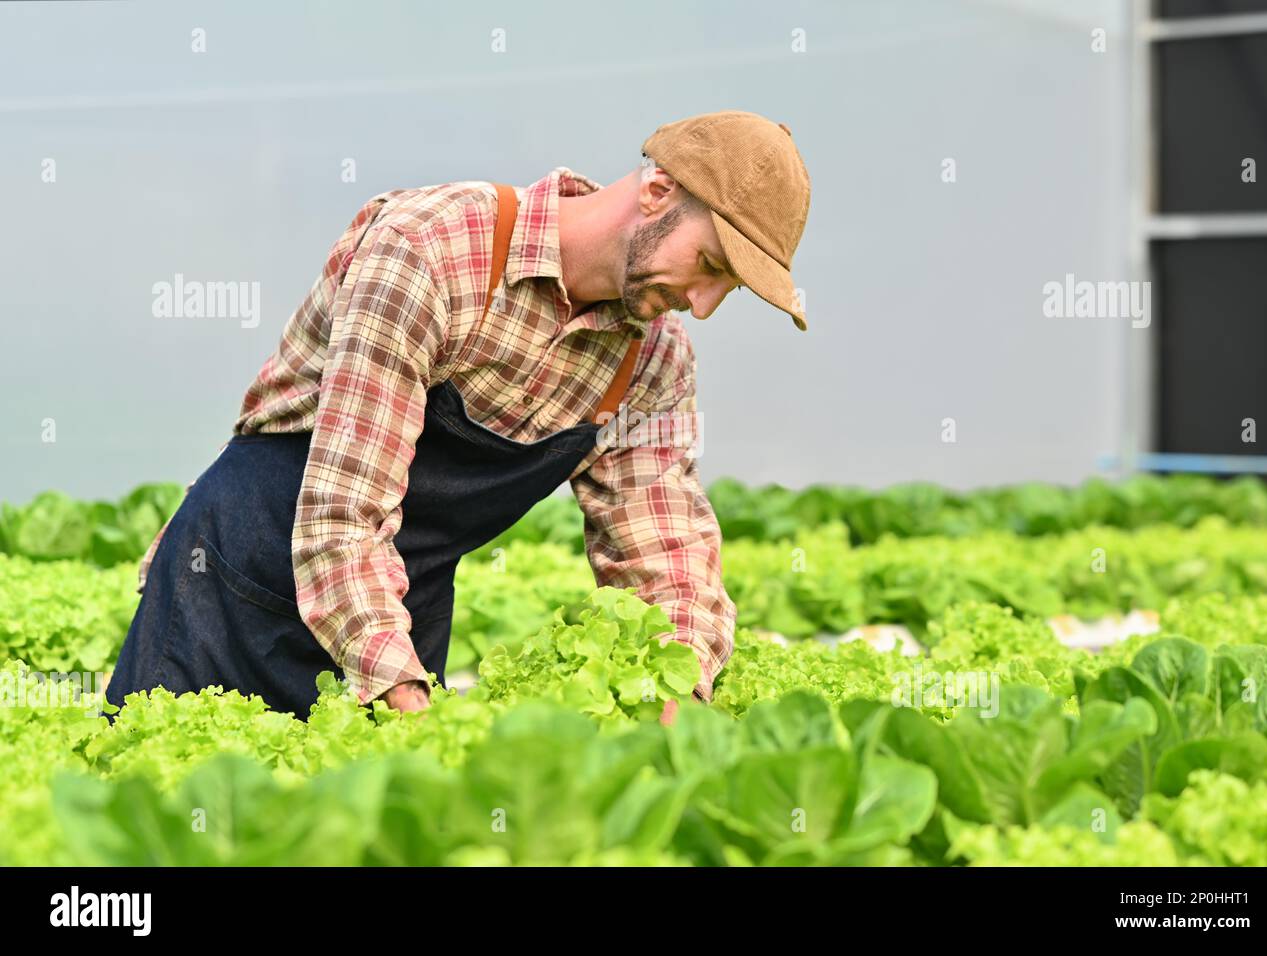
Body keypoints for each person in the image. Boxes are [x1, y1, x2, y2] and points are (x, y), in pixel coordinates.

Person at [105, 109, 812, 725]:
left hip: (401, 605)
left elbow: (667, 560)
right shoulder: (429, 251)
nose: (704, 303)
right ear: (658, 192)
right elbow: (340, 519)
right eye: (710, 265)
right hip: (240, 584)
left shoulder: (652, 359)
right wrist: (406, 704)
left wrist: (677, 684)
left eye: (729, 289)